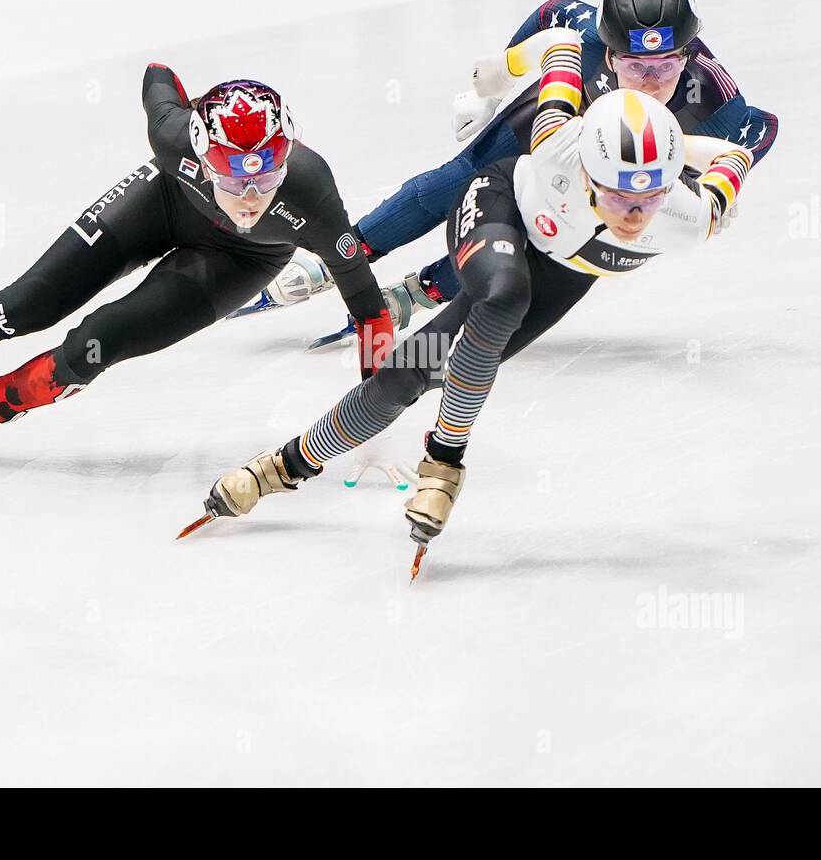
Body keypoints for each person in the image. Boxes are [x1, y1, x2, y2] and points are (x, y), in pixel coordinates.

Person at [182, 28, 755, 579]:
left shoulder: (688, 218)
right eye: (618, 194)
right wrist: (492, 84)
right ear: (586, 171)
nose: (634, 215)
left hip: (564, 271)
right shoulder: (558, 142)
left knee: (412, 375)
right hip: (501, 201)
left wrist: (694, 151)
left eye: (651, 196)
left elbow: (739, 156)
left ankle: (280, 467)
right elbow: (558, 45)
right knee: (503, 295)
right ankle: (445, 461)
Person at [0, 66, 393, 470]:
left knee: (98, 344)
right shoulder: (173, 136)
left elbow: (368, 306)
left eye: (270, 168)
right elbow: (159, 77)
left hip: (241, 259)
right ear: (202, 153)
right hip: (162, 202)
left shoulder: (310, 193)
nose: (254, 191)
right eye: (235, 173)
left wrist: (373, 415)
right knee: (23, 306)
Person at [246, 0, 778, 341]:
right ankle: (337, 259)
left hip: (613, 165)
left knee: (531, 232)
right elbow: (546, 19)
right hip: (558, 122)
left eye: (667, 64)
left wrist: (722, 186)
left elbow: (759, 129)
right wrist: (488, 92)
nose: (651, 80)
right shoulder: (579, 33)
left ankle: (418, 294)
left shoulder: (711, 94)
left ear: (688, 54)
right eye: (635, 65)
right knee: (456, 181)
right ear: (608, 52)